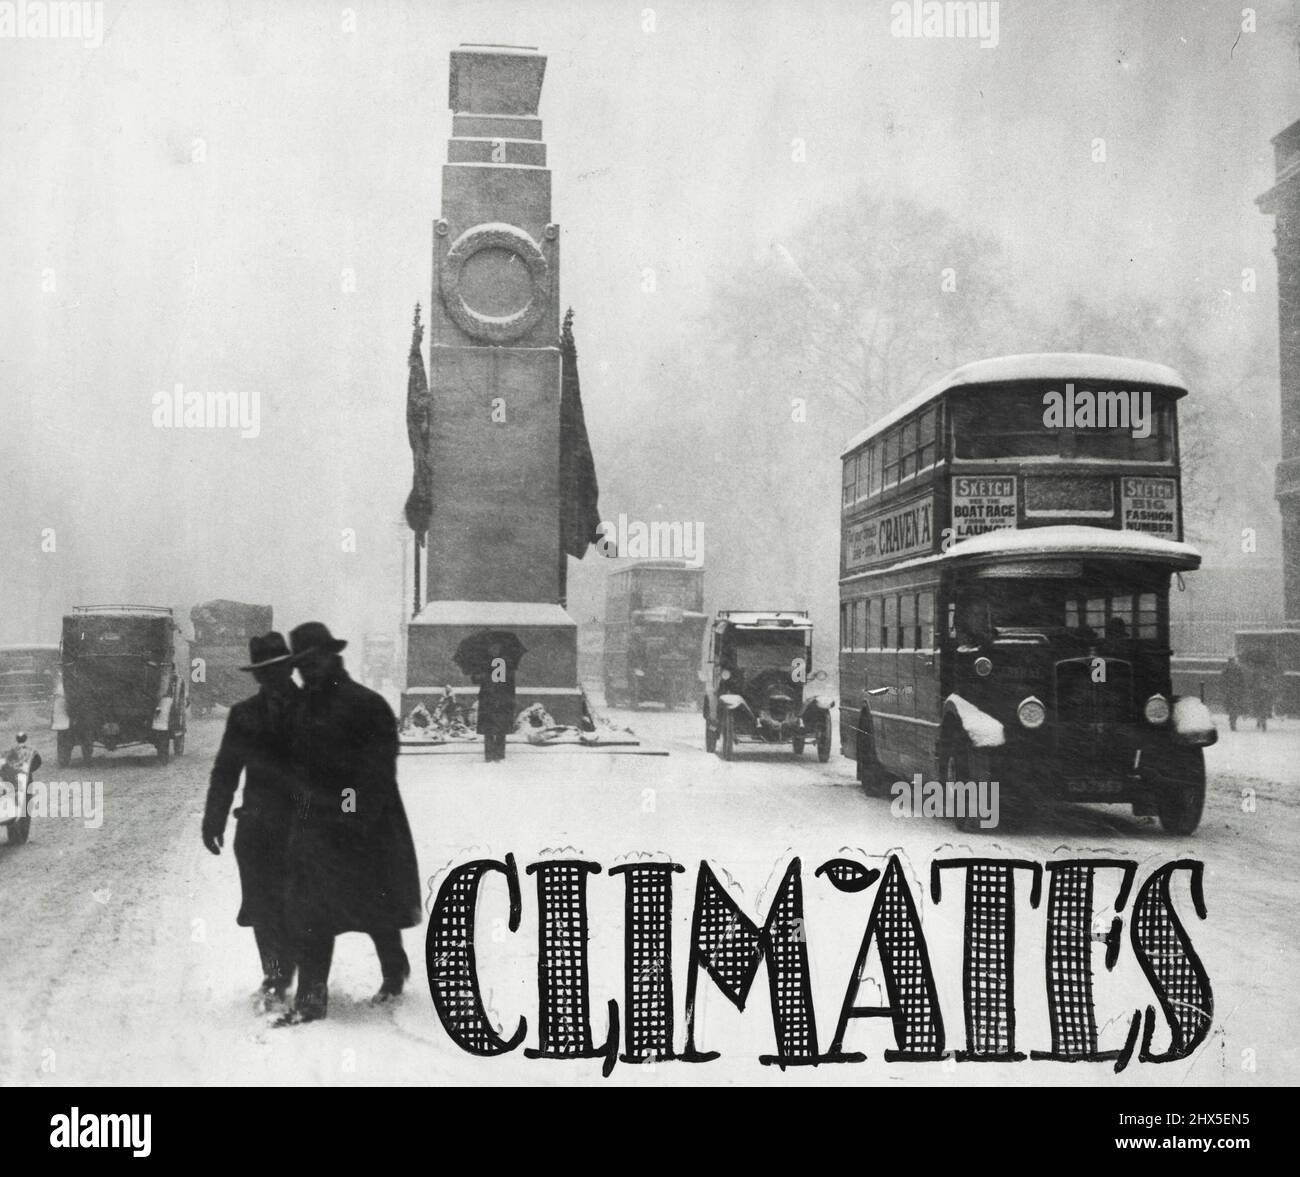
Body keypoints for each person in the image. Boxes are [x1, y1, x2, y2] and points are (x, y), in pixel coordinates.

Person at [276, 621, 422, 1026]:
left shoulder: (365, 704)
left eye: (313, 662)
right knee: (312, 911)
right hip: (314, 828)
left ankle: (394, 971)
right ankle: (311, 996)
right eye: (301, 665)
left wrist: (349, 813)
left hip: (365, 827)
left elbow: (375, 770)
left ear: (331, 657)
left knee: (376, 906)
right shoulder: (302, 707)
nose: (307, 671)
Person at [202, 633, 299, 1012]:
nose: (269, 679)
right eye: (262, 673)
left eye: (275, 669)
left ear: (289, 668)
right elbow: (226, 770)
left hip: (303, 827)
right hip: (257, 828)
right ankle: (274, 976)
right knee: (262, 907)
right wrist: (213, 819)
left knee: (302, 906)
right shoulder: (244, 714)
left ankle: (307, 976)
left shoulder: (315, 709)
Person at [475, 639, 517, 762]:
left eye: (496, 648)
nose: (494, 650)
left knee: (499, 728)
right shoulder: (504, 662)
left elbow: (510, 682)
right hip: (490, 698)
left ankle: (498, 754)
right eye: (492, 648)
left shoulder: (499, 663)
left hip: (498, 698)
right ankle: (490, 755)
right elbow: (476, 678)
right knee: (490, 728)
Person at [1222, 656, 1246, 733]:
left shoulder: (1226, 669)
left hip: (1230, 691)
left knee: (1231, 707)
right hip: (1235, 691)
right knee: (1235, 707)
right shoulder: (1237, 669)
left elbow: (1223, 680)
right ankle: (1233, 721)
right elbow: (1242, 681)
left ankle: (1232, 720)